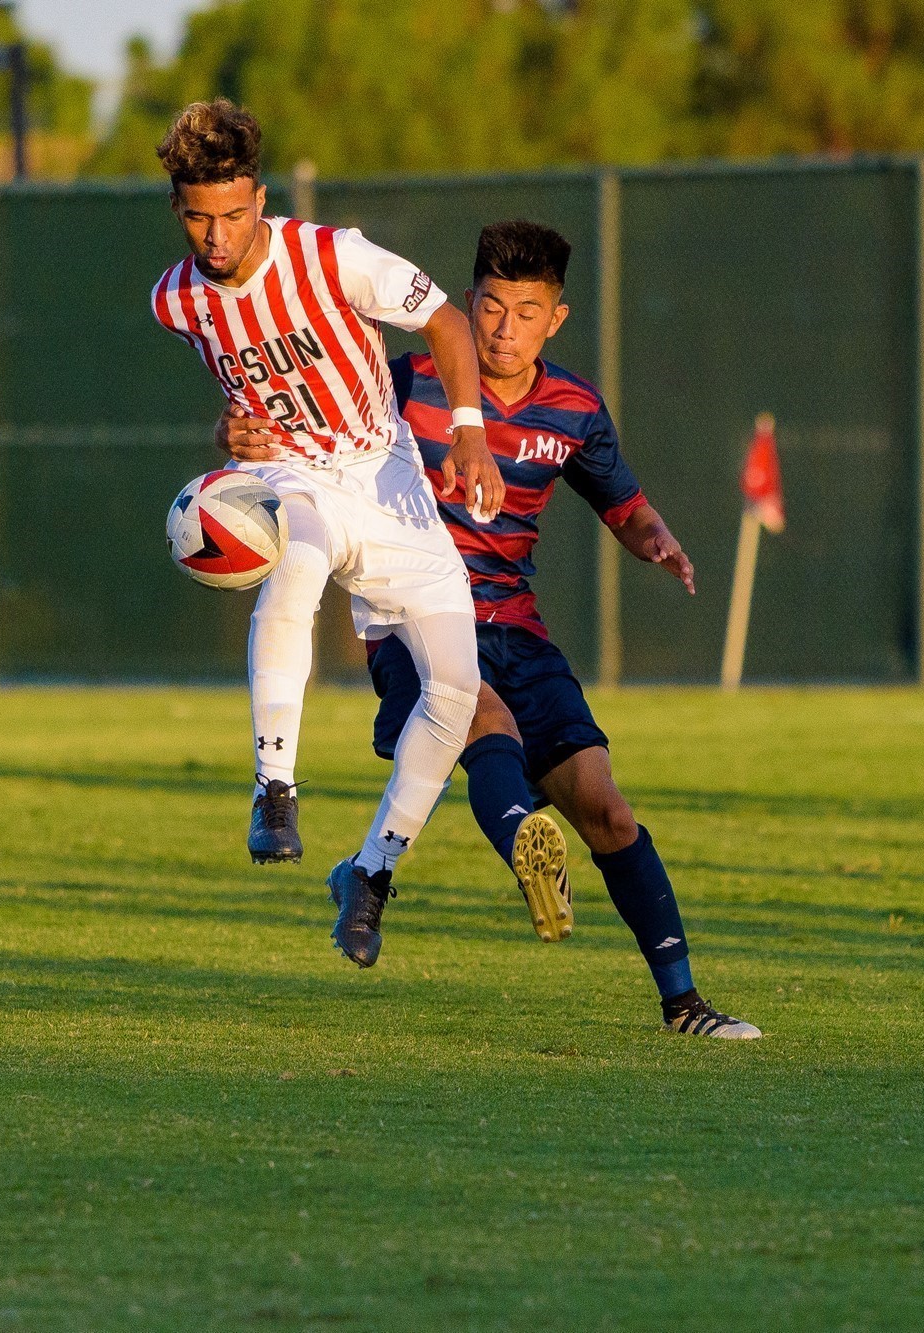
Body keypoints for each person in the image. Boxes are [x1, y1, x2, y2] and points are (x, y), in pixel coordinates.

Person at [219, 220, 761, 1039]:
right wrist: (233, 436)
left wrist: (655, 537)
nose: (504, 330)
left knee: (609, 812)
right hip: (410, 617)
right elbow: (289, 442)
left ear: (557, 319)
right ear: (467, 304)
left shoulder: (574, 409)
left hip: (517, 625)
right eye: (492, 308)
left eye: (526, 312)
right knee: (482, 717)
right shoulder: (398, 385)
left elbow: (622, 502)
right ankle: (524, 845)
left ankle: (685, 1005)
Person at [149, 98, 506, 967]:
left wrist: (467, 427)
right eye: (199, 217)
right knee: (297, 557)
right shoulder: (176, 301)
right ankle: (275, 784)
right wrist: (230, 439)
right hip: (294, 479)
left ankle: (370, 874)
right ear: (179, 211)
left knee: (456, 690)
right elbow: (241, 404)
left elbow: (445, 321)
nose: (218, 236)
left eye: (234, 214)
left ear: (260, 198)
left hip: (388, 478)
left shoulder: (332, 256)